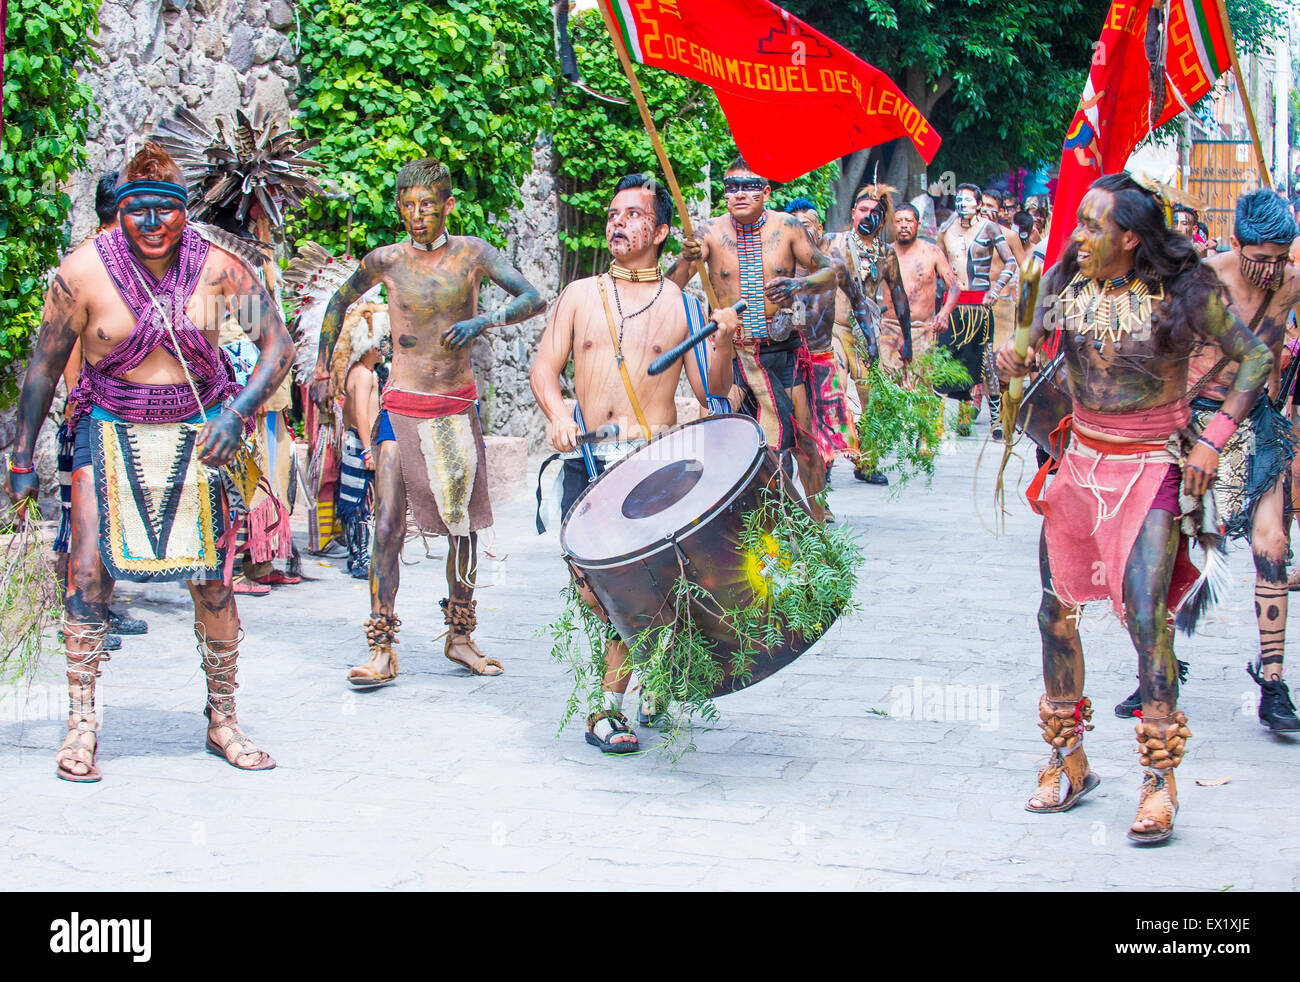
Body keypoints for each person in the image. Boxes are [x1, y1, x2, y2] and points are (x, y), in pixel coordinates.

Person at [996, 172, 1273, 843]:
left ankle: (1158, 782)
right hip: (1080, 464)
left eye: (1092, 226)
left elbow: (1257, 357)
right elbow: (1025, 344)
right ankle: (1068, 759)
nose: (1079, 237)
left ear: (1129, 236)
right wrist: (1010, 355)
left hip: (1152, 468)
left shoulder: (1187, 290)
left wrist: (1213, 438)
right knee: (1054, 612)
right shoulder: (1065, 282)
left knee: (1147, 620)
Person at [5, 142, 294, 780]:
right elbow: (44, 368)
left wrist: (237, 413)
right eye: (139, 211)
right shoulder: (82, 273)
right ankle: (81, 723)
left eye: (167, 211)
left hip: (200, 435)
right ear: (121, 211)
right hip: (105, 427)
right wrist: (21, 457)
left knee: (214, 581)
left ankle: (223, 717)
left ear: (184, 213)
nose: (154, 225)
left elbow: (278, 345)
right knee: (87, 574)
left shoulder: (219, 270)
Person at [310, 158, 545, 687]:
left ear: (448, 206)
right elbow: (337, 302)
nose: (417, 216)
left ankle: (460, 637)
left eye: (427, 206)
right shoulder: (387, 261)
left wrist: (486, 319)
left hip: (454, 405)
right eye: (408, 206)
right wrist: (324, 366)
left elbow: (533, 297)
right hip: (401, 405)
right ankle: (382, 646)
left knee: (460, 528)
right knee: (389, 521)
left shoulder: (473, 254)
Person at [530, 173, 738, 752]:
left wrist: (721, 339)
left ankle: (604, 709)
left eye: (633, 214)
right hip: (589, 463)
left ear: (663, 231)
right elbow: (545, 369)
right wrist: (557, 412)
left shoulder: (684, 305)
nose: (618, 221)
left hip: (652, 467)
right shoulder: (579, 295)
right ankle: (649, 674)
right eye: (614, 212)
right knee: (597, 592)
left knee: (635, 591)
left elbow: (715, 392)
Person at [1169, 189, 1300, 731]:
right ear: (1237, 242)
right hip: (1193, 421)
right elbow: (1164, 350)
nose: (1271, 269)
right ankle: (1158, 670)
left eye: (1280, 256)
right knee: (1169, 548)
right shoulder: (1203, 278)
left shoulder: (1292, 279)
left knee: (1273, 544)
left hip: (1257, 419)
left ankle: (1273, 684)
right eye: (1261, 257)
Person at [668, 157, 836, 518]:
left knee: (803, 440)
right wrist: (685, 259)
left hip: (783, 352)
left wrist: (797, 283)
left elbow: (829, 272)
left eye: (748, 186)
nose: (739, 193)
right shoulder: (708, 233)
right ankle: (747, 525)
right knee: (727, 441)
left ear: (766, 190)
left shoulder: (788, 227)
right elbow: (672, 287)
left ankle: (819, 522)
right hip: (733, 357)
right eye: (731, 187)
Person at [52, 171, 149, 652]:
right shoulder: (89, 265)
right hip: (92, 410)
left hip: (117, 411)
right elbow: (69, 342)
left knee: (110, 518)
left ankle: (101, 609)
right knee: (87, 520)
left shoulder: (131, 260)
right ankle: (83, 615)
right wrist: (77, 398)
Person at [783, 197, 878, 497]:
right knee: (788, 435)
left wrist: (870, 338)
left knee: (826, 433)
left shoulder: (834, 266)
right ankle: (789, 502)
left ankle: (820, 497)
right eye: (795, 227)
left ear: (820, 228)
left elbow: (859, 300)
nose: (801, 233)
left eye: (806, 226)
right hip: (789, 358)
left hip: (822, 357)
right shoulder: (780, 269)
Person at [823, 184, 913, 484]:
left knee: (871, 398)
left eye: (876, 212)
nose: (869, 216)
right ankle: (826, 464)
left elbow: (899, 296)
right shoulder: (833, 243)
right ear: (852, 213)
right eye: (863, 210)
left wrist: (907, 341)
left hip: (865, 333)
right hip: (833, 329)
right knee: (835, 390)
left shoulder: (885, 254)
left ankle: (867, 462)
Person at [937, 183, 1017, 435]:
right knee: (946, 361)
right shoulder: (946, 230)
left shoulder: (989, 228)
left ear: (979, 205)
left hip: (980, 305)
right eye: (959, 200)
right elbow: (939, 266)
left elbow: (1011, 261)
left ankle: (996, 420)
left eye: (969, 200)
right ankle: (938, 423)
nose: (963, 205)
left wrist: (996, 290)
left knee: (986, 363)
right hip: (954, 305)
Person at [334, 303, 388, 581]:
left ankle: (358, 556)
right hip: (360, 442)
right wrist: (369, 448)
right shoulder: (364, 374)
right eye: (378, 344)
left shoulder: (360, 372)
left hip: (357, 441)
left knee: (357, 502)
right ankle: (359, 558)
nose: (382, 349)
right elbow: (360, 416)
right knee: (359, 503)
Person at [884, 202, 958, 366]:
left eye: (909, 221)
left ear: (918, 224)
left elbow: (953, 287)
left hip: (922, 330)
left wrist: (944, 313)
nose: (904, 225)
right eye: (899, 221)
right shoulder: (883, 253)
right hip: (889, 330)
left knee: (920, 386)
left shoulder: (932, 252)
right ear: (892, 225)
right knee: (888, 388)